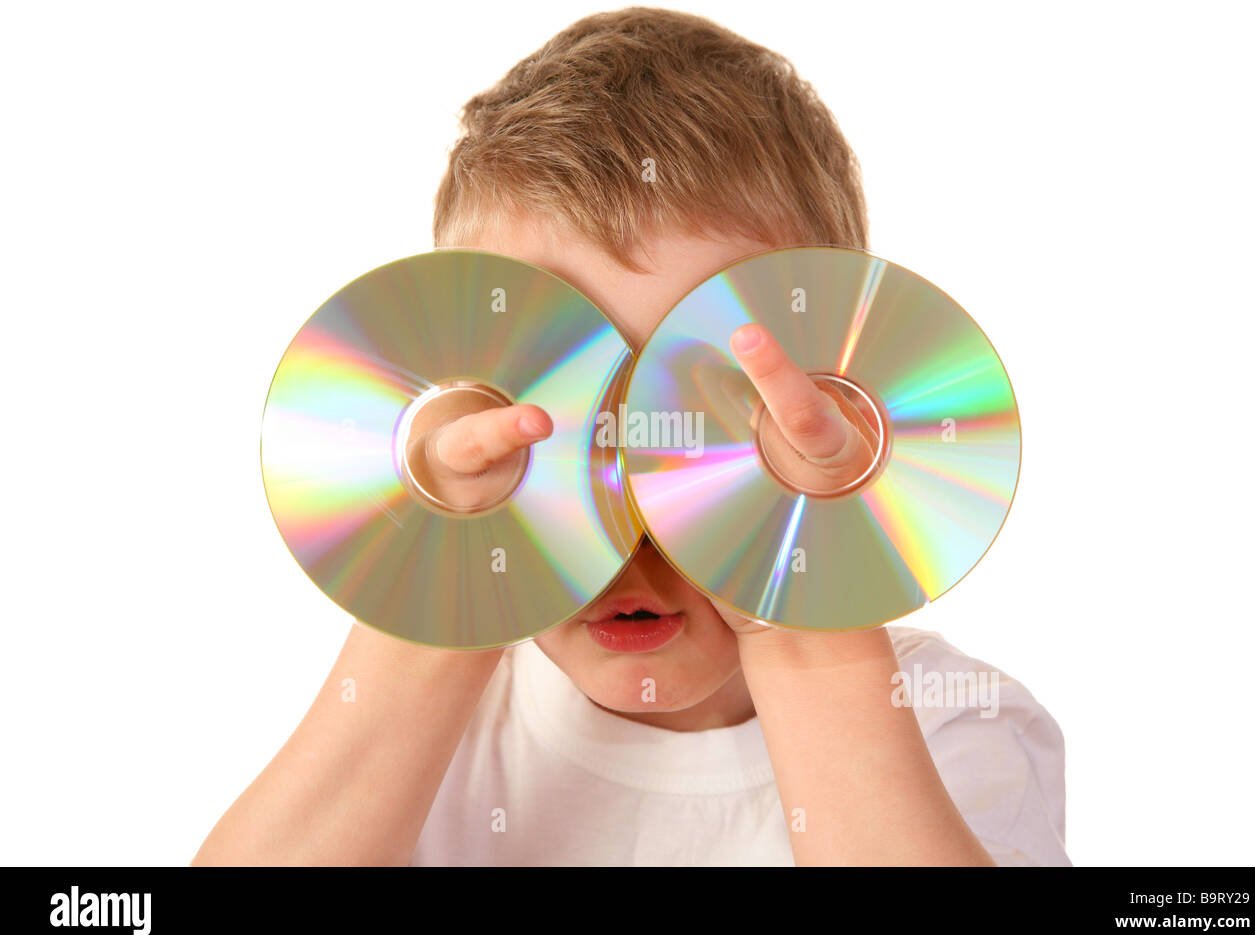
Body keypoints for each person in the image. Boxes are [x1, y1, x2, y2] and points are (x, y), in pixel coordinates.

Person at [195, 7, 1068, 866]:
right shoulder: (440, 734)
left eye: (717, 420)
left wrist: (799, 604)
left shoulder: (958, 724)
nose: (630, 503)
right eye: (555, 417)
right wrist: (448, 588)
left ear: (841, 392)